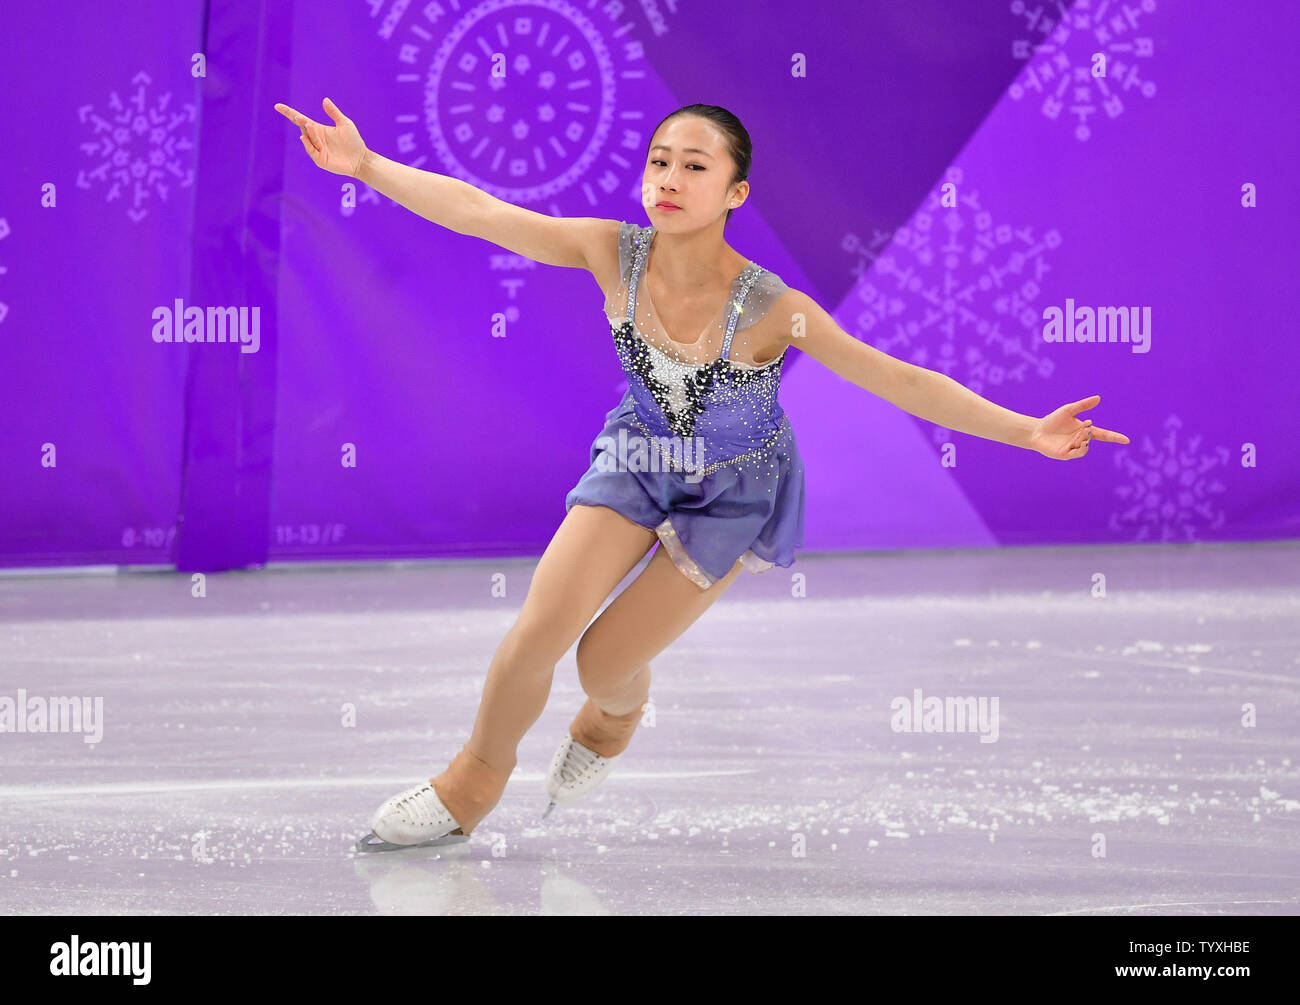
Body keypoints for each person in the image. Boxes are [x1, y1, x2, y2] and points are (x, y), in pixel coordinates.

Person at [273, 97, 1130, 852]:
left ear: (735, 193)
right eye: (658, 161)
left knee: (602, 665)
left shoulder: (769, 307)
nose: (668, 178)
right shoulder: (613, 251)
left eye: (694, 165)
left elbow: (897, 378)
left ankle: (612, 724)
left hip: (731, 490)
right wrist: (366, 164)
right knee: (537, 630)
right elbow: (481, 213)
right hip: (641, 455)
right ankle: (470, 786)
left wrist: (1027, 431)